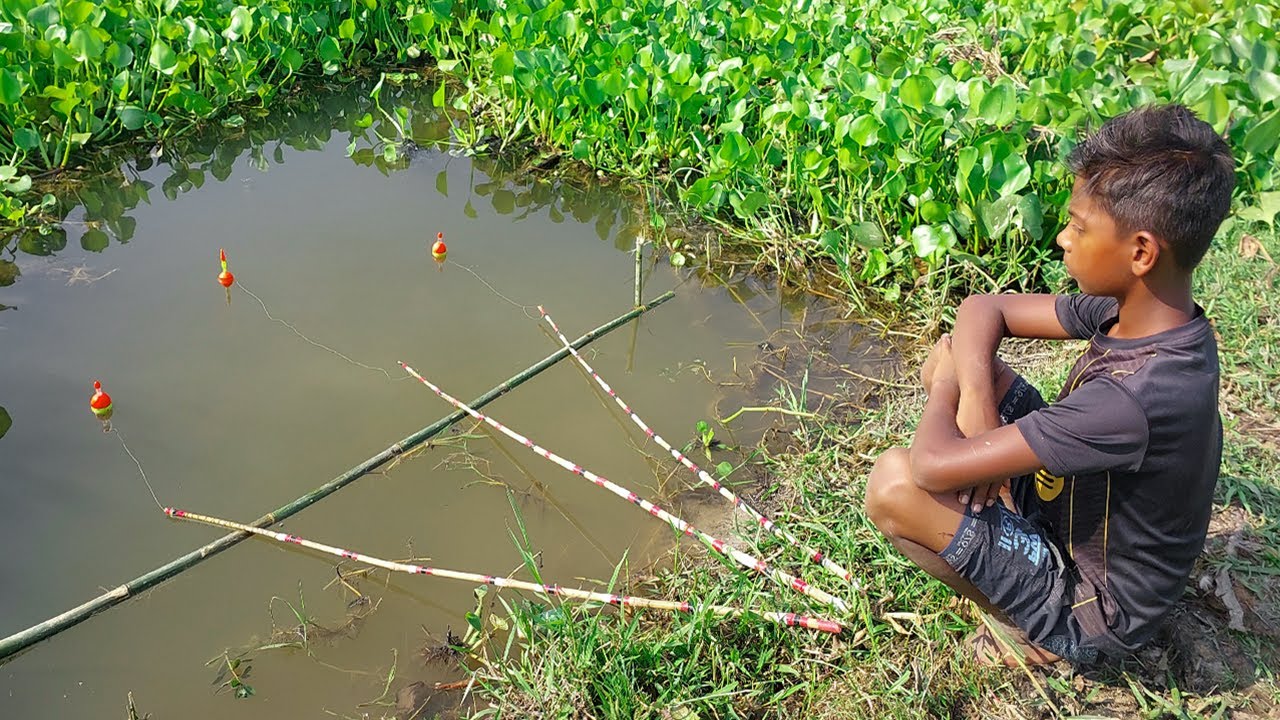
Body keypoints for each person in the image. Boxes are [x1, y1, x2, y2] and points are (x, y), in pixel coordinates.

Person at [863, 104, 1236, 665]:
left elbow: (928, 468)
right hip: (1076, 509)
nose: (1062, 238)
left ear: (1141, 252)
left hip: (1097, 610)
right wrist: (981, 411)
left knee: (894, 484)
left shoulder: (1132, 399)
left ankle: (1033, 635)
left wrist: (948, 392)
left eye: (1079, 227)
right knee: (968, 364)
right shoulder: (1146, 312)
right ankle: (1008, 517)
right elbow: (983, 307)